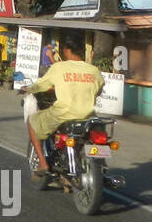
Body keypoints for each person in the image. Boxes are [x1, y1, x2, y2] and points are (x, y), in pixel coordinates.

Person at [24, 33, 103, 173]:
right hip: (88, 114)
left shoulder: (59, 67)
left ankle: (42, 163)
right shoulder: (94, 70)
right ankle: (100, 162)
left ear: (66, 50)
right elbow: (99, 90)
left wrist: (27, 89)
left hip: (64, 112)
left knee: (32, 121)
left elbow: (41, 86)